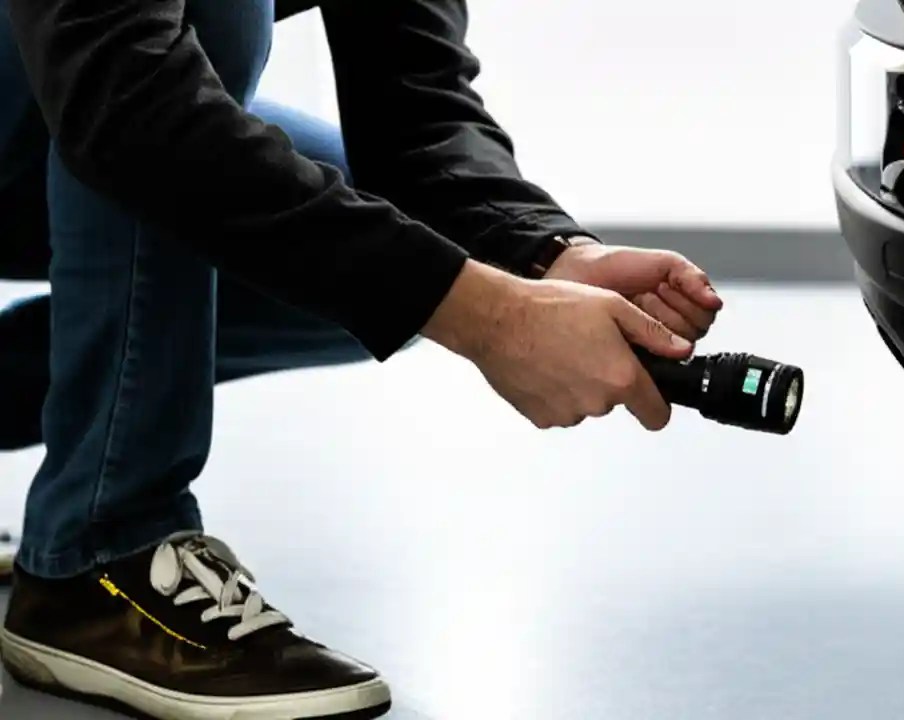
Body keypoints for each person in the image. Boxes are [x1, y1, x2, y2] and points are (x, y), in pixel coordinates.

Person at [0, 0, 723, 717]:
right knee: (213, 21)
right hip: (98, 86)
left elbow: (414, 101)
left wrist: (542, 257)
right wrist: (488, 317)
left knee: (400, 250)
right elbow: (124, 94)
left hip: (75, 95)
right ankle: (99, 555)